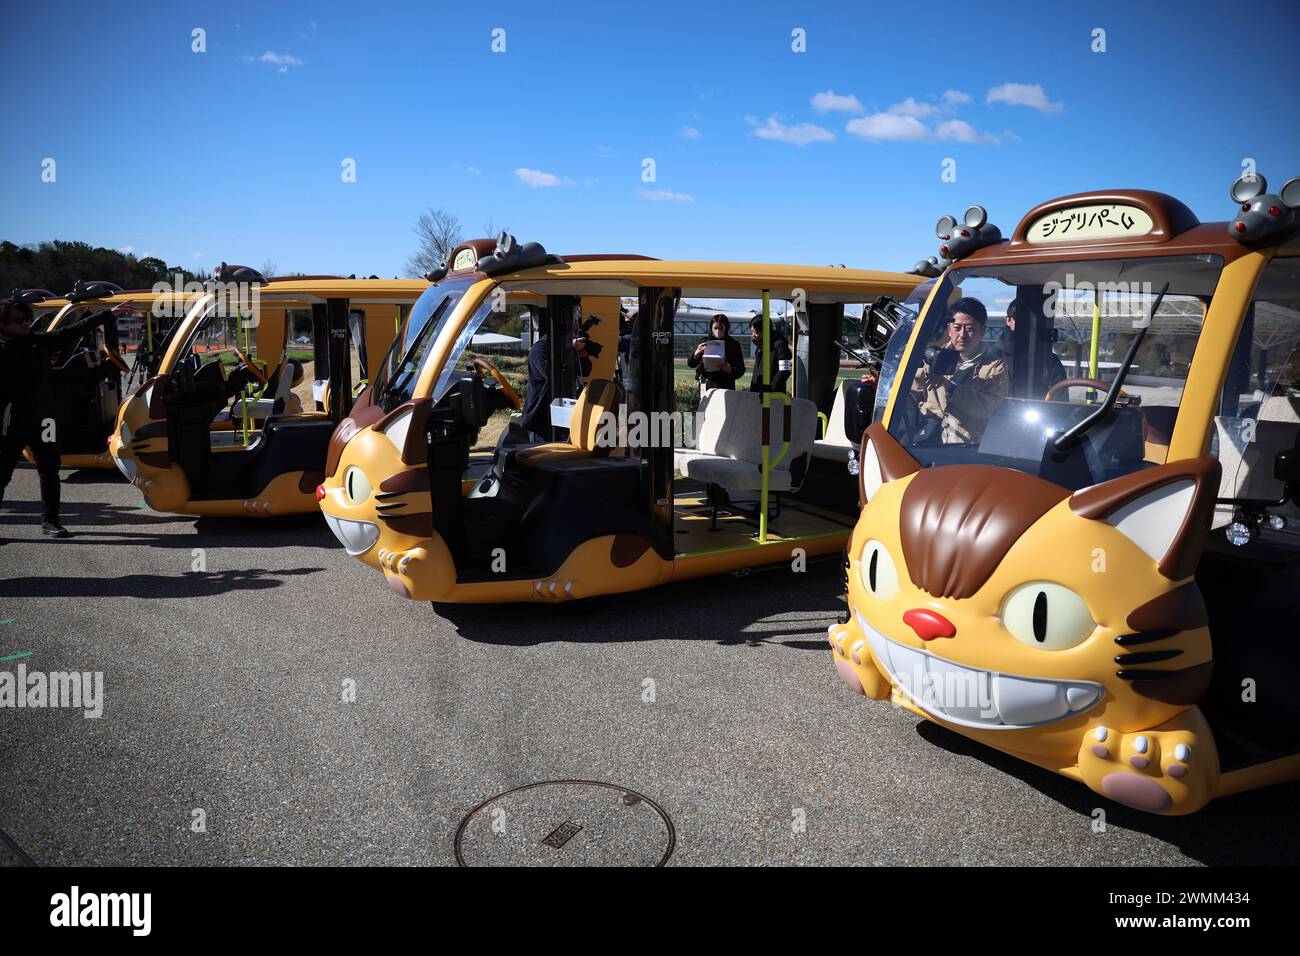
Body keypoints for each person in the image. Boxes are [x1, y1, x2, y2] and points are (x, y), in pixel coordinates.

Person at [0, 295, 134, 536]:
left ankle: (50, 521)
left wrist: (107, 315)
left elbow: (72, 331)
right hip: (13, 422)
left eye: (27, 319)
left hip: (45, 419)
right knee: (2, 475)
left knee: (50, 470)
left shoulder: (38, 342)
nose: (25, 324)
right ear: (3, 324)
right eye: (18, 320)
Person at [910, 297, 1008, 445]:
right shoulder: (933, 357)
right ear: (949, 329)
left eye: (969, 329)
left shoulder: (995, 367)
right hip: (929, 446)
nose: (962, 335)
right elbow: (909, 395)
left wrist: (949, 386)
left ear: (983, 330)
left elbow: (989, 409)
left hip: (966, 451)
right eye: (957, 328)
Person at [520, 325, 592, 442]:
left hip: (561, 412)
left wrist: (581, 353)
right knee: (543, 454)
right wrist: (570, 350)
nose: (572, 334)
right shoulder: (540, 348)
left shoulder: (565, 349)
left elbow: (586, 370)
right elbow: (551, 374)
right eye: (571, 331)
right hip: (541, 414)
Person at [1000, 300, 1066, 394]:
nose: (1026, 325)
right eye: (1020, 319)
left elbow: (1060, 399)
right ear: (1008, 320)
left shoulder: (1050, 361)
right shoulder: (995, 357)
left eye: (1032, 320)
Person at [687, 314, 745, 394]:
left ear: (726, 328)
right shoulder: (704, 342)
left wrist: (730, 369)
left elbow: (740, 370)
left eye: (721, 328)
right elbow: (691, 364)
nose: (718, 331)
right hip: (707, 385)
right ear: (711, 328)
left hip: (726, 387)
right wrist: (696, 354)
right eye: (715, 328)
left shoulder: (734, 345)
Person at [747, 316, 792, 394]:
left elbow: (785, 370)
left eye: (756, 332)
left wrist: (771, 388)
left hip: (774, 396)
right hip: (757, 393)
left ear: (765, 331)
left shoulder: (780, 345)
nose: (753, 335)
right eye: (752, 332)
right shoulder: (760, 345)